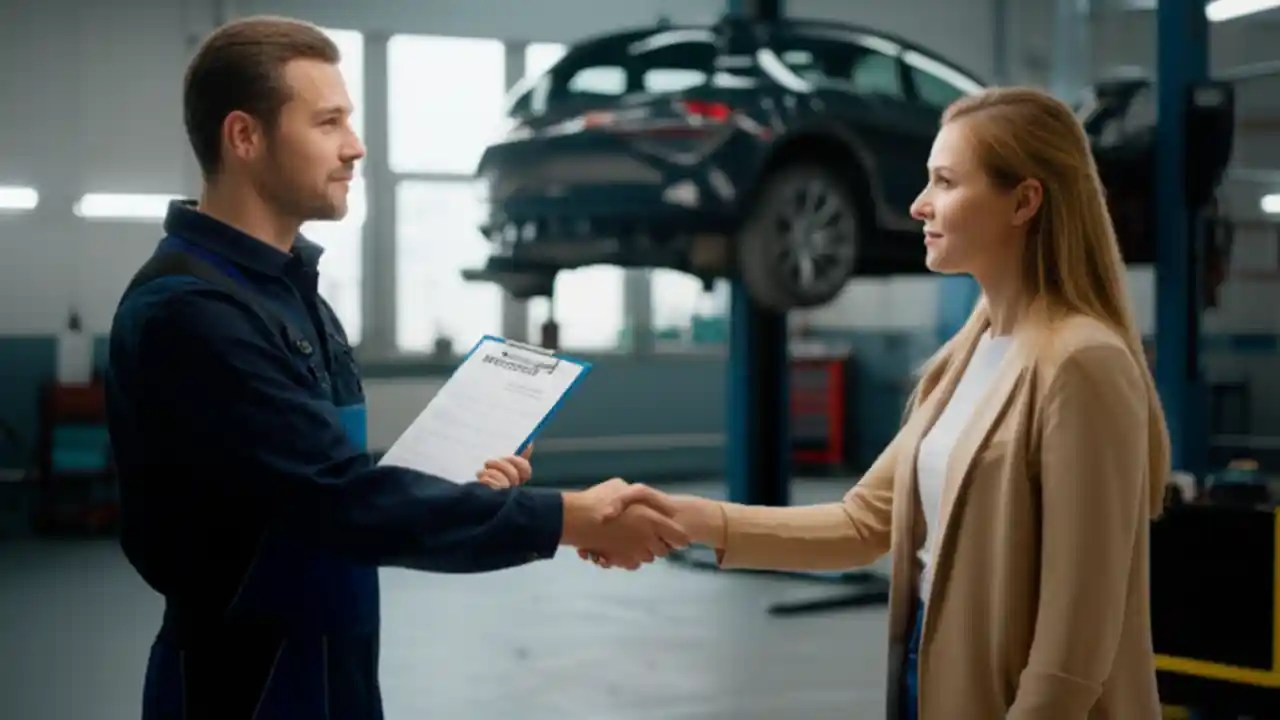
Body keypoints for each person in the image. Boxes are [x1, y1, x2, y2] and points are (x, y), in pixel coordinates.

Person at [104, 16, 686, 720]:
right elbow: (334, 502)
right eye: (327, 123)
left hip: (335, 663)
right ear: (245, 137)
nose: (355, 147)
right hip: (245, 684)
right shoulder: (190, 311)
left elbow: (306, 480)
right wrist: (569, 518)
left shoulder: (290, 293)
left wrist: (455, 485)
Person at [589, 87, 1172, 720]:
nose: (920, 205)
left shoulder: (1083, 363)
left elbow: (1075, 642)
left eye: (945, 183)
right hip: (932, 671)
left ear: (1024, 201)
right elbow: (862, 523)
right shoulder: (963, 355)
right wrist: (686, 517)